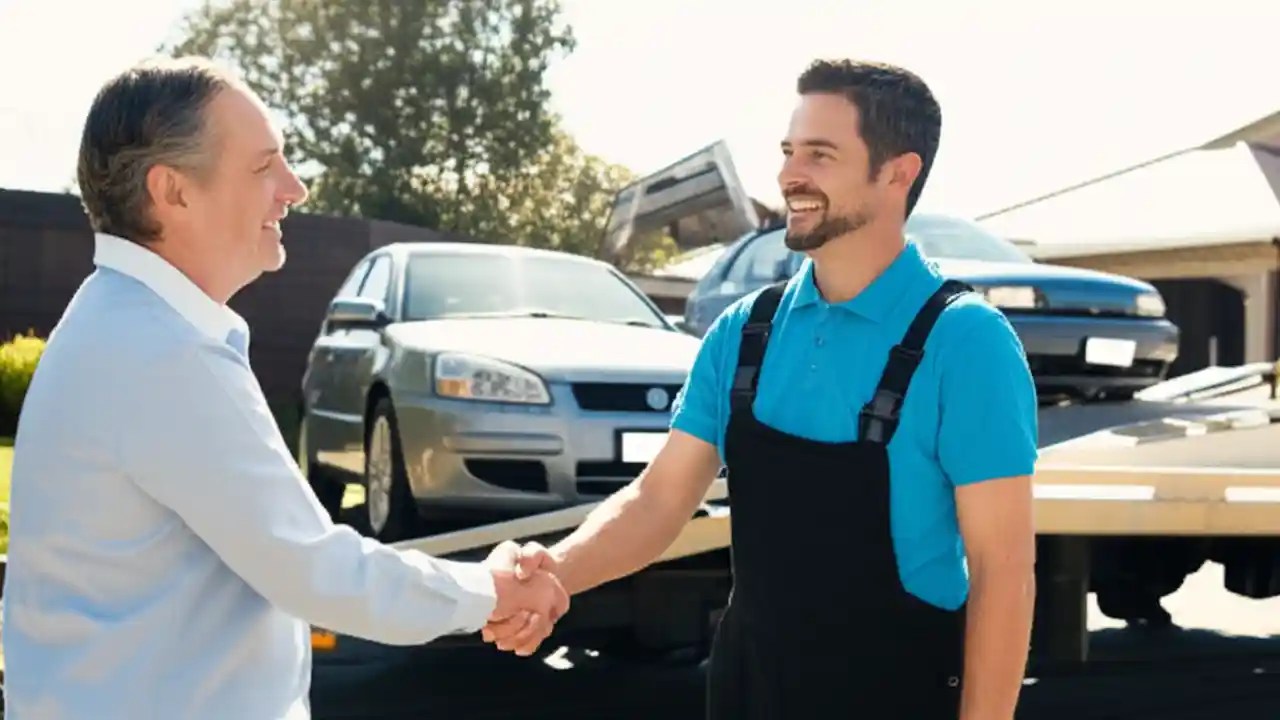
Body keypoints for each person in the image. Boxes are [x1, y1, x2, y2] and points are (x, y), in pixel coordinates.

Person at [1, 56, 567, 719]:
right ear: (172, 191)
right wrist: (493, 592)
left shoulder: (122, 325)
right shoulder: (163, 352)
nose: (293, 188)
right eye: (263, 166)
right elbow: (314, 570)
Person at [485, 59, 1038, 719]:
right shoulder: (745, 332)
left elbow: (1002, 572)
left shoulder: (965, 343)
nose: (789, 176)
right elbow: (658, 501)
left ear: (898, 172)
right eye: (788, 152)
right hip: (751, 695)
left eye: (820, 155)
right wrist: (555, 573)